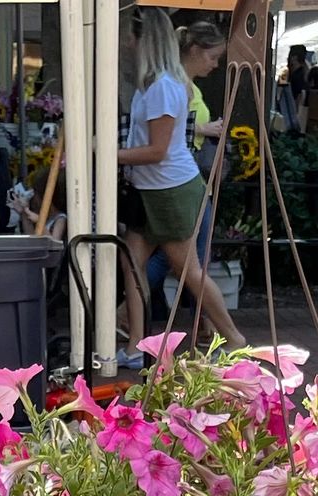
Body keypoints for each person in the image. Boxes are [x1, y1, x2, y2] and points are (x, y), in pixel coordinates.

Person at [116, 10, 244, 358]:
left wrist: (110, 154)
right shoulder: (158, 85)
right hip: (154, 189)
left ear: (145, 40)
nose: (126, 42)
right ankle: (137, 344)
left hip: (170, 190)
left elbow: (158, 150)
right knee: (133, 263)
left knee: (187, 270)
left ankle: (233, 338)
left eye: (130, 36)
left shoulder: (163, 88)